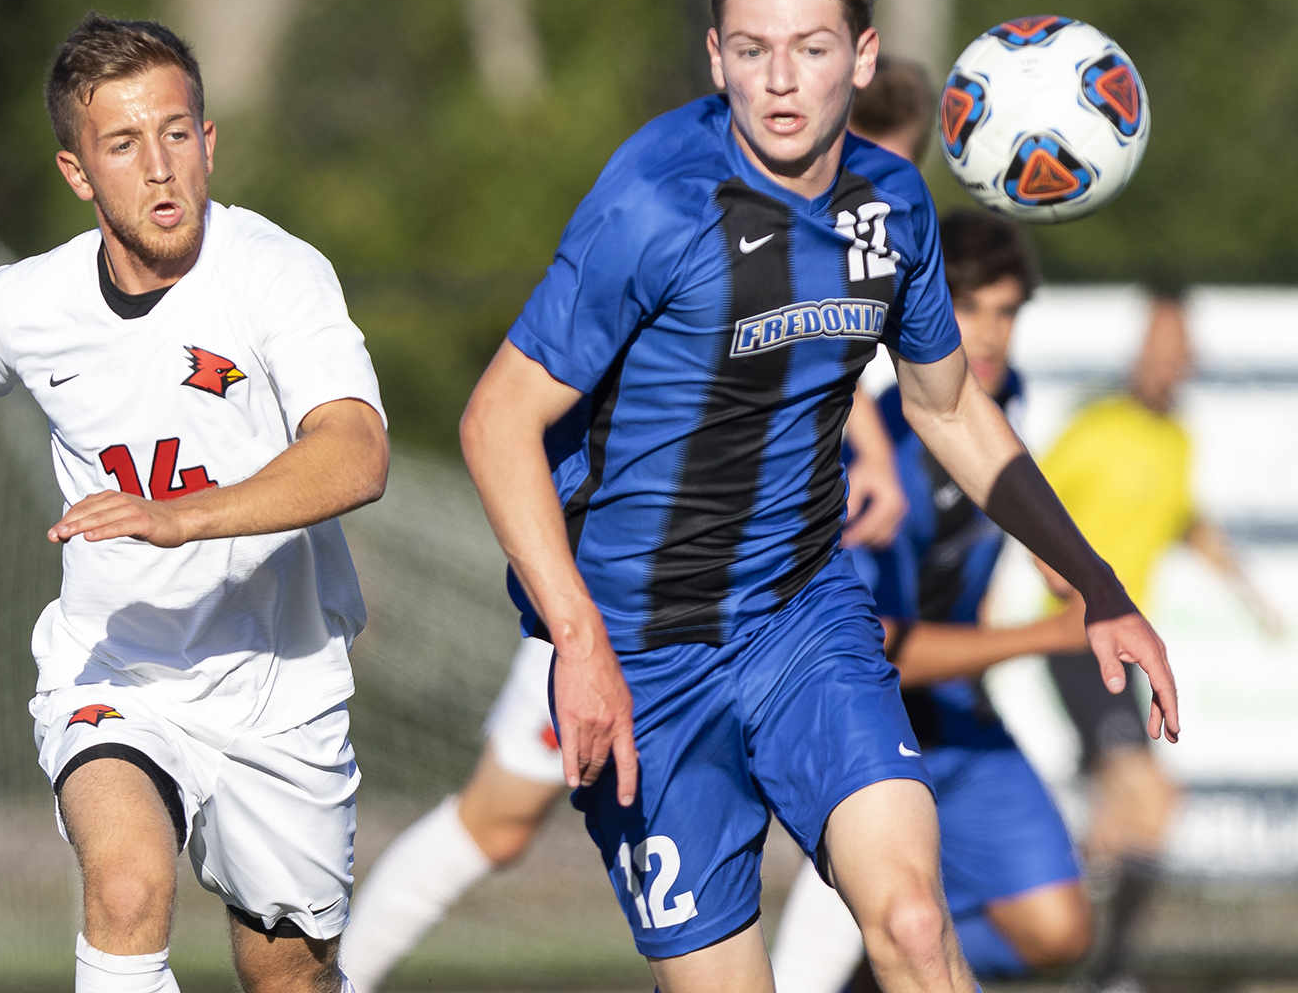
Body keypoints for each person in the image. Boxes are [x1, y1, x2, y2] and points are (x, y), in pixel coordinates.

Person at [457, 0, 1178, 993]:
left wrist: (1096, 580)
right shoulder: (653, 201)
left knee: (916, 923)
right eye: (751, 50)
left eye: (810, 48)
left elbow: (951, 410)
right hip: (641, 648)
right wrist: (577, 643)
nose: (780, 82)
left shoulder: (891, 207)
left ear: (866, 56)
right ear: (715, 58)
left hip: (803, 616)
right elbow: (495, 422)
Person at [0, 14, 390, 993]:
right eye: (124, 144)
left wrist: (178, 517)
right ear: (77, 172)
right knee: (128, 889)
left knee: (291, 976)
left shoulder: (277, 274)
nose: (160, 168)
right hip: (117, 670)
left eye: (177, 133)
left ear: (209, 140)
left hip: (280, 686)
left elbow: (356, 454)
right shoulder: (29, 301)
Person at [339, 81, 919, 993]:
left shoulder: (854, 268)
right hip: (618, 617)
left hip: (764, 617)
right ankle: (346, 978)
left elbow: (813, 378)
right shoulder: (692, 222)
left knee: (877, 872)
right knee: (497, 820)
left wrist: (871, 447)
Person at [772, 210, 1097, 993]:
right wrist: (1046, 636)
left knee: (1059, 930)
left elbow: (987, 497)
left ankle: (884, 966)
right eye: (966, 307)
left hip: (956, 718)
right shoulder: (869, 453)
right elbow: (874, 644)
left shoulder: (1003, 397)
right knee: (844, 950)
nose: (987, 335)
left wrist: (1051, 554)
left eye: (1006, 310)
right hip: (868, 729)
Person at [1040, 285, 1276, 993]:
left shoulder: (1176, 440)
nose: (1164, 361)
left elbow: (1184, 520)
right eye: (1155, 346)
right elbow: (1031, 501)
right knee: (1148, 801)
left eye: (1176, 349)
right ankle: (1091, 952)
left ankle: (1101, 962)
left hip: (1126, 649)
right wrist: (1054, 574)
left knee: (1136, 819)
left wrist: (1249, 592)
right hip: (1075, 641)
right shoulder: (1096, 426)